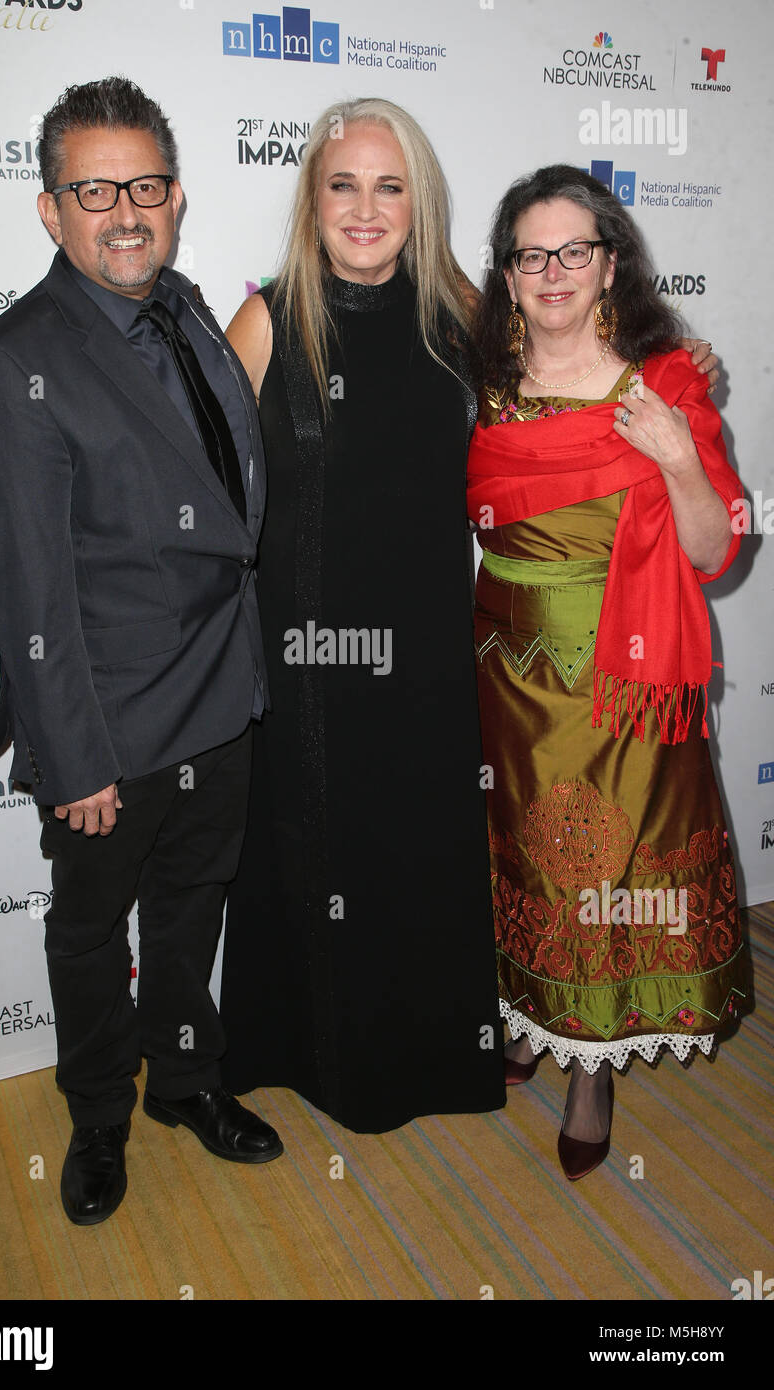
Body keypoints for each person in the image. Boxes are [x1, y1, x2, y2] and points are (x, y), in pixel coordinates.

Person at [0, 77, 282, 1227]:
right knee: (91, 930)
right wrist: (73, 757)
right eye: (94, 191)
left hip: (219, 691)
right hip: (107, 718)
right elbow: (26, 586)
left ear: (175, 196)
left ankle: (184, 1079)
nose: (124, 211)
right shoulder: (11, 362)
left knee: (192, 904)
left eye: (144, 185)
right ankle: (98, 1113)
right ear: (51, 209)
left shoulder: (187, 309)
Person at [217, 99, 507, 1132]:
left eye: (390, 186)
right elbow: (204, 489)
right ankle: (310, 1056)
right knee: (313, 849)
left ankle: (432, 1050)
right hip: (304, 652)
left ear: (418, 203)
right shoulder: (265, 321)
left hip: (424, 650)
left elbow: (563, 398)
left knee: (415, 846)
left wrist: (669, 369)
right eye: (343, 184)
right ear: (312, 198)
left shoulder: (460, 316)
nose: (366, 208)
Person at [466, 164, 751, 1180]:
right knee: (517, 859)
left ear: (609, 264)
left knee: (607, 872)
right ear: (506, 274)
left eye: (573, 251)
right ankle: (522, 1015)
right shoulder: (476, 384)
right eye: (530, 254)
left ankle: (591, 1073)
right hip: (503, 674)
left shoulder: (662, 386)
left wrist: (676, 455)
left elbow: (715, 549)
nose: (553, 271)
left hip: (625, 683)